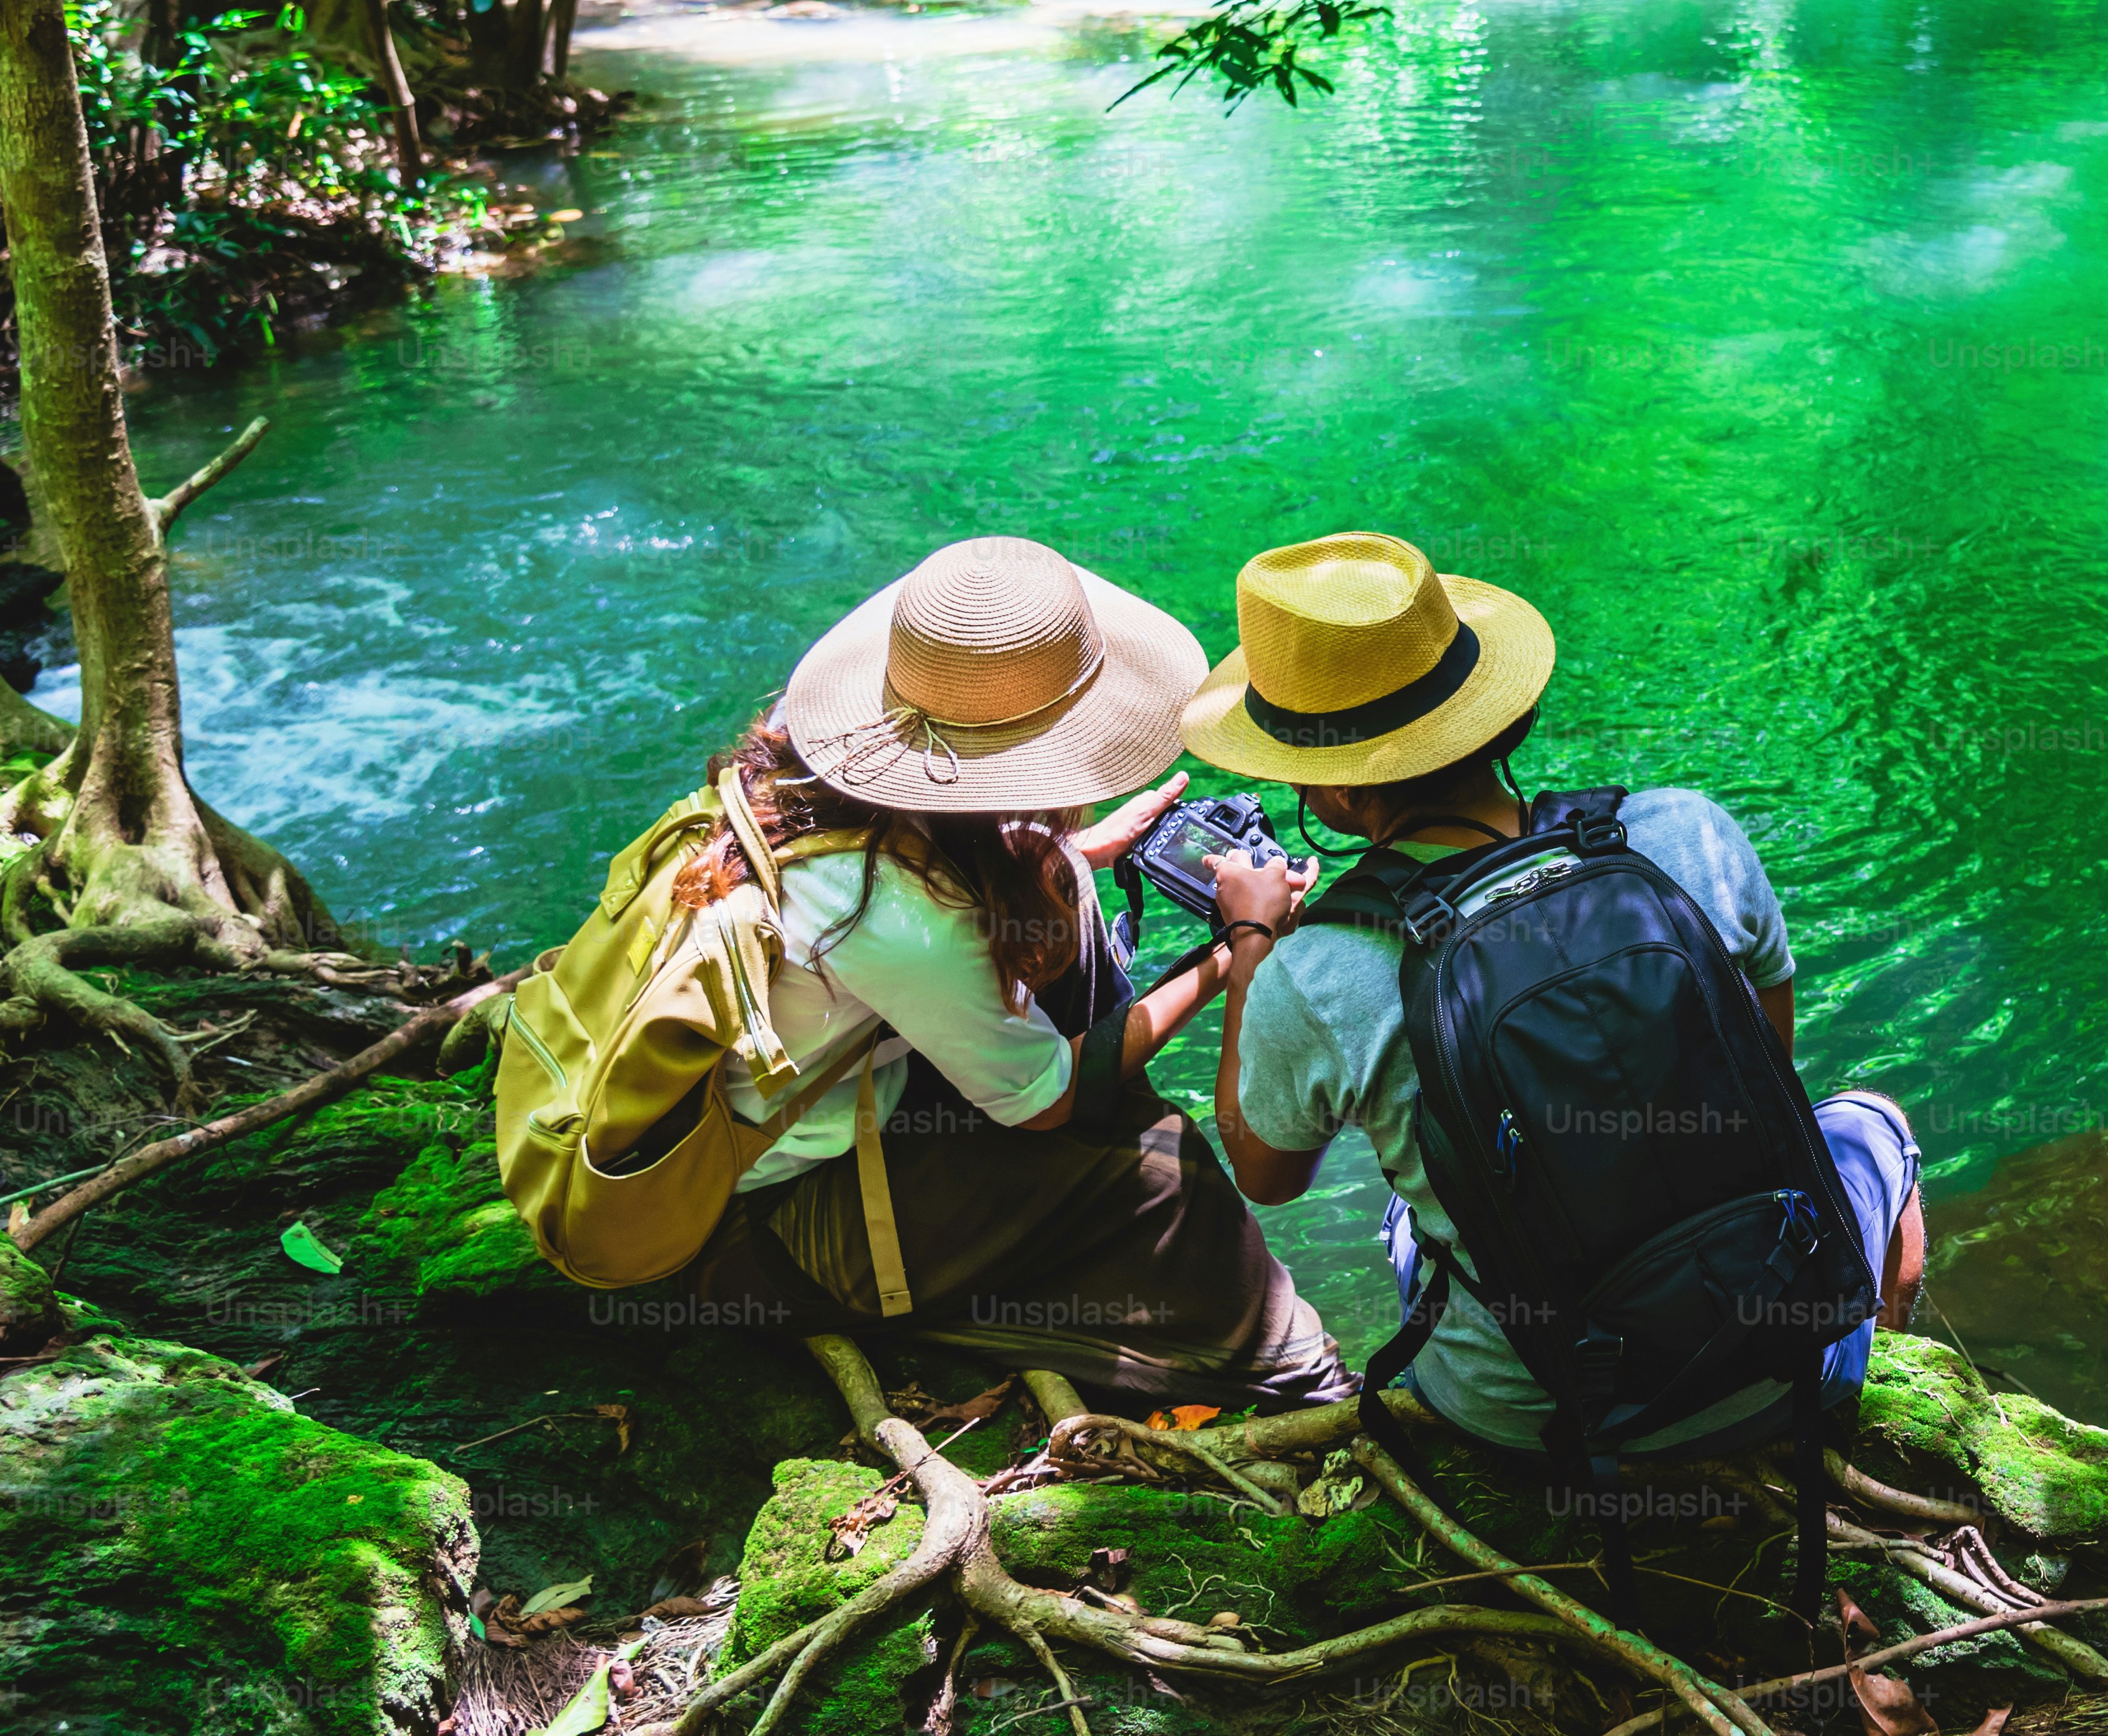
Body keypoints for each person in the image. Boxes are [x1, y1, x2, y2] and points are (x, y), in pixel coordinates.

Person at [1181, 529, 1924, 1459]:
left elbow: (1267, 1176)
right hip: (1782, 1357)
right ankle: (1852, 1392)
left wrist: (1252, 942)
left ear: (1335, 792)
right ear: (1492, 714)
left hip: (1534, 1417)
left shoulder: (1318, 970)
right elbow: (1766, 1073)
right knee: (1873, 1123)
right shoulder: (1687, 832)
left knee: (1409, 1214)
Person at [673, 534, 1346, 1414]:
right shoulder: (896, 916)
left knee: (1064, 923)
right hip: (779, 1229)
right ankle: (1304, 1382)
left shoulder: (805, 785)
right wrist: (1239, 946)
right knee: (1165, 1173)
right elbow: (1045, 1101)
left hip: (777, 1124)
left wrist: (1074, 856)